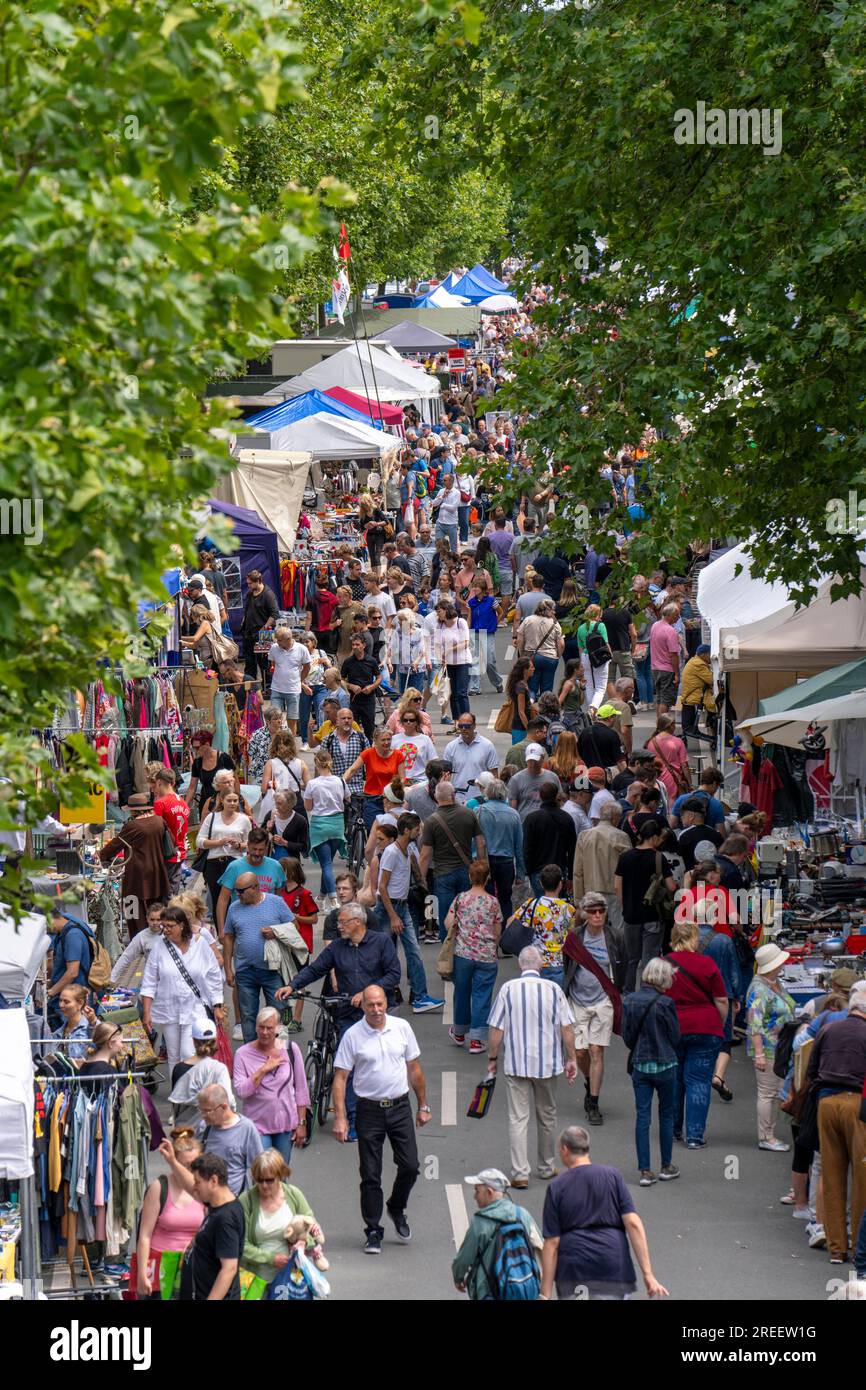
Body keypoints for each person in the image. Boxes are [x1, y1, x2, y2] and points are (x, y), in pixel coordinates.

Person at [277, 904, 402, 1139]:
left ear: (357, 922)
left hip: (373, 1014)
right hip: (346, 1013)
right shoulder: (337, 948)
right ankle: (353, 1119)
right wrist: (292, 985)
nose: (339, 926)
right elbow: (315, 969)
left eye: (343, 922)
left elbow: (393, 974)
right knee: (349, 1066)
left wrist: (367, 993)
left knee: (377, 1064)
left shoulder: (381, 942)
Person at [332, 985, 431, 1254]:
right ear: (362, 1006)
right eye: (370, 1005)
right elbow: (340, 1078)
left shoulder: (402, 1028)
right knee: (370, 1173)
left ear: (386, 1003)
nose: (376, 1010)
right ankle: (373, 1229)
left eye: (380, 1004)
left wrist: (423, 1105)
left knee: (410, 1165)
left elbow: (415, 1069)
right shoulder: (353, 1036)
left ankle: (396, 1208)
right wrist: (341, 1118)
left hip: (400, 1107)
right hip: (369, 1111)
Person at [540, 1126, 669, 1301]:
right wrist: (648, 1274)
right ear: (587, 1148)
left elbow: (552, 1243)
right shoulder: (612, 1176)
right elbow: (633, 1223)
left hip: (575, 1271)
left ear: (564, 1149)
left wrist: (544, 1294)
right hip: (612, 1267)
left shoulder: (557, 1187)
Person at [487, 945, 578, 1188]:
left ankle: (520, 1172)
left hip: (516, 1063)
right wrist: (572, 1058)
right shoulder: (553, 989)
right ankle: (546, 1166)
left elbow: (497, 1029)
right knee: (547, 1115)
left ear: (520, 965)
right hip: (547, 1064)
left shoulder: (508, 989)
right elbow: (566, 1028)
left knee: (518, 1118)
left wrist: (492, 1058)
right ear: (540, 965)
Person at [807, 987, 866, 1264]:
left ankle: (836, 1248)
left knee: (831, 1176)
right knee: (862, 1177)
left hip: (826, 1102)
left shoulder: (829, 1029)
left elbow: (811, 1070)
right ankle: (857, 1244)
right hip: (858, 1105)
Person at [140, 905, 226, 1081]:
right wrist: (147, 1013)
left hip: (195, 1008)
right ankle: (177, 1098)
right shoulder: (159, 947)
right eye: (164, 926)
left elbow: (213, 975)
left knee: (188, 1052)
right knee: (173, 1056)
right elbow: (149, 981)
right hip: (168, 1009)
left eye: (170, 926)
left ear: (182, 925)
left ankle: (192, 1092)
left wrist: (217, 1005)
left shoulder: (199, 944)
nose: (166, 930)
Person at [562, 893, 626, 1126]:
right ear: (584, 913)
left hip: (603, 1001)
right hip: (578, 1000)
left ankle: (594, 1103)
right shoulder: (575, 937)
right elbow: (567, 965)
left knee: (596, 1049)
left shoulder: (615, 937)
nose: (597, 915)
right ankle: (589, 1081)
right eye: (592, 911)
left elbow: (624, 964)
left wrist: (619, 995)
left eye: (601, 910)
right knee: (580, 1052)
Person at [666, 921, 728, 1149]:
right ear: (694, 940)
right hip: (705, 1027)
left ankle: (673, 1129)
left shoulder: (662, 965)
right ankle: (694, 1135)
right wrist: (719, 1024)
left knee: (674, 1079)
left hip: (672, 1028)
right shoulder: (707, 964)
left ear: (673, 939)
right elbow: (721, 1000)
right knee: (698, 1081)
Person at [622, 958, 682, 1185]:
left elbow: (627, 1035)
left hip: (640, 1063)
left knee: (642, 1117)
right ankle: (666, 1165)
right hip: (666, 1063)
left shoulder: (630, 1000)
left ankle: (645, 1170)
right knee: (666, 1115)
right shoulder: (666, 1003)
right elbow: (675, 1037)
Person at [377, 812, 443, 1013]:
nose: (419, 832)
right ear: (406, 830)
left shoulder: (408, 849)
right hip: (390, 908)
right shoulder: (392, 852)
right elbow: (382, 886)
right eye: (416, 829)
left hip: (402, 906)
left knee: (413, 951)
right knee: (384, 953)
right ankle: (382, 995)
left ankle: (420, 996)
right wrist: (393, 915)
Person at [222, 874, 296, 1043]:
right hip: (245, 971)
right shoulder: (234, 908)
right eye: (236, 891)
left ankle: (278, 1055)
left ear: (256, 887)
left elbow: (294, 926)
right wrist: (228, 969)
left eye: (241, 891)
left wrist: (276, 932)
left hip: (272, 970)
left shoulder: (275, 902)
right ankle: (251, 1055)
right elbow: (228, 938)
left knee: (277, 1012)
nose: (237, 894)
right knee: (248, 1015)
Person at [452, 1169, 542, 1301]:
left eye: (477, 1191)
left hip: (490, 1291)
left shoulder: (480, 1223)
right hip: (525, 1290)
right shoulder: (522, 1214)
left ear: (489, 1192)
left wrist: (458, 1278)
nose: (474, 1196)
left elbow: (464, 1259)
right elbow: (541, 1248)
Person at [233, 1007, 309, 1162]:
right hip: (257, 1125)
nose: (265, 1032)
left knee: (280, 1178)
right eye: (261, 1027)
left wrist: (301, 1123)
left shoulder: (289, 1049)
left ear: (278, 1029)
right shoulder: (242, 1054)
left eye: (269, 1028)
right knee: (264, 1175)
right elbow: (241, 1091)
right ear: (255, 1027)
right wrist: (264, 1069)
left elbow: (301, 1088)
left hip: (285, 1124)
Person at [136, 1128, 205, 1298]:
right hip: (161, 1266)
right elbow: (144, 1235)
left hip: (192, 1266)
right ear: (173, 1161)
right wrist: (141, 1274)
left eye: (195, 1164)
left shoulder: (202, 1190)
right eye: (185, 1165)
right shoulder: (159, 1188)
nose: (191, 1170)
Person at [238, 1149, 322, 1286]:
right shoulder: (246, 1201)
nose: (264, 1185)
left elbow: (312, 1228)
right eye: (259, 1180)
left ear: (281, 1175)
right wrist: (271, 1259)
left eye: (269, 1180)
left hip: (292, 1277)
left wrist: (304, 1242)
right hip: (257, 1281)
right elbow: (242, 1245)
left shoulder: (294, 1194)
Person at [168, 1151, 245, 1300]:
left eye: (198, 1182)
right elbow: (190, 1187)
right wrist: (172, 1161)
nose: (194, 1187)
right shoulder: (217, 1203)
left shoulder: (225, 1219)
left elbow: (229, 1269)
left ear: (213, 1181)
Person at [445, 860, 502, 1054]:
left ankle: (459, 1031)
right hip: (486, 955)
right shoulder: (493, 902)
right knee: (482, 995)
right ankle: (477, 1040)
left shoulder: (461, 899)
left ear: (470, 877)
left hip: (463, 954)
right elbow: (497, 929)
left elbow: (448, 922)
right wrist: (492, 945)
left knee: (461, 991)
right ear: (487, 879)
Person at [745, 943, 797, 1152]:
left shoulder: (772, 983)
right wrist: (759, 1054)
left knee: (773, 1092)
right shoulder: (759, 989)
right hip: (768, 1049)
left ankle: (768, 1134)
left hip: (778, 1047)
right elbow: (754, 1025)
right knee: (768, 1093)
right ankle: (766, 1136)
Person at [615, 820, 677, 993]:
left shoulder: (625, 856)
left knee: (632, 958)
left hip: (630, 915)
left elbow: (617, 885)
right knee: (649, 957)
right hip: (653, 916)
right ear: (654, 837)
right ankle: (646, 991)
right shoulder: (658, 857)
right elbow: (671, 886)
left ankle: (627, 992)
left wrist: (625, 906)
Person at [418, 781, 486, 939]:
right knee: (466, 913)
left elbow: (425, 855)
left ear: (436, 798)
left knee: (445, 918)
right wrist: (482, 866)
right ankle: (466, 946)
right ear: (453, 795)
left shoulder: (432, 821)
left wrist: (421, 879)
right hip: (466, 871)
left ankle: (447, 951)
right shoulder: (469, 814)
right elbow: (480, 842)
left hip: (443, 874)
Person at [99, 792, 171, 938]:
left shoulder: (133, 826)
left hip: (137, 874)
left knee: (133, 907)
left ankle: (139, 938)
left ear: (133, 810)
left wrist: (102, 855)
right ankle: (158, 934)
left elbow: (115, 845)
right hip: (157, 870)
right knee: (156, 904)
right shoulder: (159, 821)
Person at [340, 725, 406, 833]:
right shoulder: (368, 753)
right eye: (383, 740)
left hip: (391, 799)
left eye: (389, 739)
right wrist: (341, 783)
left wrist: (395, 789)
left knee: (392, 830)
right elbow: (352, 770)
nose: (386, 743)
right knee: (374, 830)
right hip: (372, 799)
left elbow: (403, 778)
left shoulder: (398, 755)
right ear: (375, 740)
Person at [168, 1020, 235, 1126]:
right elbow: (229, 1102)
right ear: (215, 1040)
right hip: (213, 1131)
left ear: (194, 1041)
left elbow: (176, 1106)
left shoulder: (178, 1069)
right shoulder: (219, 1069)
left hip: (187, 1132)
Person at [197, 788, 252, 919]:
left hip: (235, 862)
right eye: (229, 800)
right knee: (217, 900)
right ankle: (221, 931)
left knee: (235, 899)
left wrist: (239, 845)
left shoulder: (244, 819)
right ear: (221, 800)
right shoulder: (212, 817)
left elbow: (250, 843)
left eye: (235, 801)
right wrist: (219, 842)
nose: (232, 803)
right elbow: (199, 841)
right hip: (214, 862)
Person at [476, 778, 525, 923]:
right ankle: (505, 931)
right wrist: (521, 872)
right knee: (505, 899)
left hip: (486, 859)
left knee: (487, 898)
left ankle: (488, 930)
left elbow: (476, 841)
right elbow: (518, 846)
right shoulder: (513, 814)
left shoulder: (479, 811)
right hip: (506, 862)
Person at [304, 748, 349, 906]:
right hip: (337, 824)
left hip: (320, 826)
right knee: (328, 862)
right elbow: (347, 798)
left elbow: (308, 807)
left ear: (316, 763)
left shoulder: (312, 784)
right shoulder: (340, 781)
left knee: (326, 864)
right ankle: (322, 897)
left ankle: (334, 899)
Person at [523, 783, 577, 893]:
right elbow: (572, 849)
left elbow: (527, 848)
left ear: (540, 796)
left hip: (538, 871)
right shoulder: (566, 818)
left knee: (541, 905)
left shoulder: (532, 819)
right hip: (559, 870)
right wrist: (571, 875)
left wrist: (527, 871)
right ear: (557, 796)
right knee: (558, 905)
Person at [443, 711, 498, 803]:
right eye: (460, 726)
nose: (464, 729)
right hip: (458, 799)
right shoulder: (451, 747)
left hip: (481, 799)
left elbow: (494, 774)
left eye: (467, 726)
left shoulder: (487, 745)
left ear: (474, 726)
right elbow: (445, 776)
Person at [432, 601, 473, 721]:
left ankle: (466, 721)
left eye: (439, 611)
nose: (437, 614)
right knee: (452, 695)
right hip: (448, 663)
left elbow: (465, 643)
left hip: (463, 662)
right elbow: (438, 644)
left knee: (461, 693)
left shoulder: (461, 622)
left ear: (446, 610)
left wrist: (449, 650)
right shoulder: (440, 625)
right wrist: (441, 658)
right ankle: (456, 723)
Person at [152, 767, 190, 896]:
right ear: (173, 783)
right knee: (173, 891)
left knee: (164, 894)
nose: (155, 790)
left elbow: (155, 830)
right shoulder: (183, 803)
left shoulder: (160, 803)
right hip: (180, 852)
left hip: (165, 853)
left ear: (159, 783)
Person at [516, 598, 564, 697]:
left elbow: (520, 639)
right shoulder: (555, 623)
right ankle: (545, 709)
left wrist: (522, 654)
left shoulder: (528, 620)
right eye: (552, 609)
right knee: (547, 689)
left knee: (532, 688)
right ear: (548, 610)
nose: (554, 612)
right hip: (550, 657)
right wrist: (558, 655)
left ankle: (531, 705)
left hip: (531, 657)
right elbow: (561, 644)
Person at [267, 627, 311, 732]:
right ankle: (277, 743)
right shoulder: (274, 648)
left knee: (292, 719)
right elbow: (273, 664)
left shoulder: (301, 649)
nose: (277, 642)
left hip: (293, 690)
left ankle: (290, 744)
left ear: (288, 639)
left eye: (279, 640)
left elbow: (307, 667)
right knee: (275, 718)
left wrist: (299, 681)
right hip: (277, 688)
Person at [341, 634, 383, 741]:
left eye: (357, 644)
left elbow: (379, 677)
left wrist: (372, 687)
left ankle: (368, 750)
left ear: (363, 645)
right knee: (351, 728)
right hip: (353, 700)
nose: (354, 647)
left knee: (369, 729)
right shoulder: (348, 662)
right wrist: (351, 686)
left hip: (368, 700)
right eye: (353, 645)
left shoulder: (371, 661)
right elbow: (341, 680)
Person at [508, 742, 561, 823]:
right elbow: (512, 805)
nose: (532, 765)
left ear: (542, 758)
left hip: (548, 823)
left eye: (535, 761)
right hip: (525, 824)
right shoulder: (516, 779)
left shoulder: (552, 777)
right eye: (530, 761)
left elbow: (559, 799)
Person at [242, 569, 279, 683]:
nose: (248, 585)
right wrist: (244, 621)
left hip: (265, 633)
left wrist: (265, 627)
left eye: (250, 583)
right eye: (247, 583)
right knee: (249, 663)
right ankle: (250, 686)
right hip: (249, 633)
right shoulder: (250, 594)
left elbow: (274, 614)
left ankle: (267, 686)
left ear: (258, 581)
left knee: (265, 662)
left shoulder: (268, 594)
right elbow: (247, 610)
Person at [645, 714, 691, 802]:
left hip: (657, 778)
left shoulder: (651, 742)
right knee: (672, 803)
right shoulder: (678, 741)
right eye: (674, 724)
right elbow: (684, 765)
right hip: (673, 779)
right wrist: (689, 783)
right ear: (670, 725)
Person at [47, 984, 96, 1063]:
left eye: (66, 1002)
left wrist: (93, 1023)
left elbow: (102, 1047)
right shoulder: (58, 1033)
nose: (61, 1005)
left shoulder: (92, 1027)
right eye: (60, 1000)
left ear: (80, 1003)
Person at [649, 603, 681, 716]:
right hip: (667, 669)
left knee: (659, 698)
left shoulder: (655, 625)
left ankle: (659, 725)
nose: (678, 618)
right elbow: (673, 654)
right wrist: (677, 673)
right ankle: (663, 728)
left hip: (655, 668)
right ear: (671, 615)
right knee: (665, 700)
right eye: (677, 615)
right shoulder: (670, 630)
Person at [676, 797, 723, 872]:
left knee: (701, 884)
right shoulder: (716, 834)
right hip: (712, 879)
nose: (681, 818)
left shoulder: (684, 835)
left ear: (691, 815)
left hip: (692, 879)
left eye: (682, 815)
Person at [262, 789, 309, 864]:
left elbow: (304, 847)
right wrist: (267, 829)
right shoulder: (271, 815)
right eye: (275, 803)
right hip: (271, 860)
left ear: (290, 804)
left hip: (291, 863)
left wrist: (285, 843)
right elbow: (259, 837)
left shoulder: (300, 820)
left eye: (279, 804)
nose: (276, 807)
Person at [506, 657, 536, 745]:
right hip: (520, 727)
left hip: (522, 725)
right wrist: (529, 730)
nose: (533, 669)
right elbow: (521, 712)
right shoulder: (521, 687)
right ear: (524, 670)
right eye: (531, 667)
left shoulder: (523, 683)